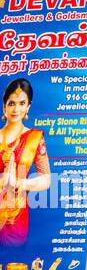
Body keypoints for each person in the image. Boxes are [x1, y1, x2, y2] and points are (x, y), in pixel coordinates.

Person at [0, 79, 50, 247]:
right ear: (4, 106)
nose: (16, 109)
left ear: (28, 107)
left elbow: (46, 180)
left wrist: (17, 182)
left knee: (14, 265)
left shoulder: (35, 138)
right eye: (11, 103)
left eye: (22, 103)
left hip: (16, 218)